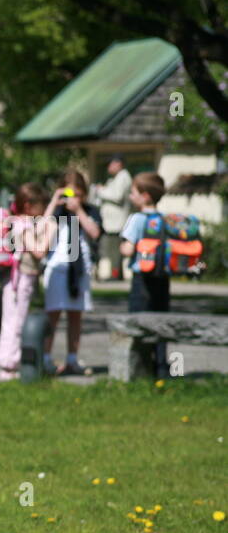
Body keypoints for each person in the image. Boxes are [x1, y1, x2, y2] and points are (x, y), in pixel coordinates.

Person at [42, 170, 101, 375]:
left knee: (75, 315)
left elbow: (94, 233)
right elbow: (41, 228)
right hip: (58, 267)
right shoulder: (57, 212)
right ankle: (46, 358)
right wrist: (54, 202)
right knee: (52, 315)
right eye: (69, 194)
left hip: (79, 269)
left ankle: (72, 358)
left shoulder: (90, 210)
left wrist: (79, 212)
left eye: (77, 194)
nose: (73, 199)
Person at [0, 183, 53, 381]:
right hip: (21, 279)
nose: (44, 209)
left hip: (13, 279)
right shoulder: (24, 225)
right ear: (29, 206)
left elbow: (45, 221)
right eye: (41, 205)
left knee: (10, 320)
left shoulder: (17, 221)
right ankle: (11, 364)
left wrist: (55, 201)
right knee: (17, 322)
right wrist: (49, 234)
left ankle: (8, 363)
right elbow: (38, 251)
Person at [119, 172, 172, 378]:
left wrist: (122, 245)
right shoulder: (163, 219)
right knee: (161, 320)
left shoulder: (136, 219)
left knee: (139, 319)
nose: (131, 197)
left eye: (134, 193)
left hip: (142, 278)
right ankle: (161, 366)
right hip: (162, 277)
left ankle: (140, 367)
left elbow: (128, 249)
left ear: (146, 196)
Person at [92, 156, 132, 280]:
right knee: (111, 250)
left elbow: (117, 196)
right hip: (110, 223)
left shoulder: (124, 176)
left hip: (116, 223)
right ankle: (114, 274)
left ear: (118, 163)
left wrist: (100, 191)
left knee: (114, 251)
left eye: (110, 164)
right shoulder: (116, 178)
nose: (108, 168)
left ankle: (115, 275)